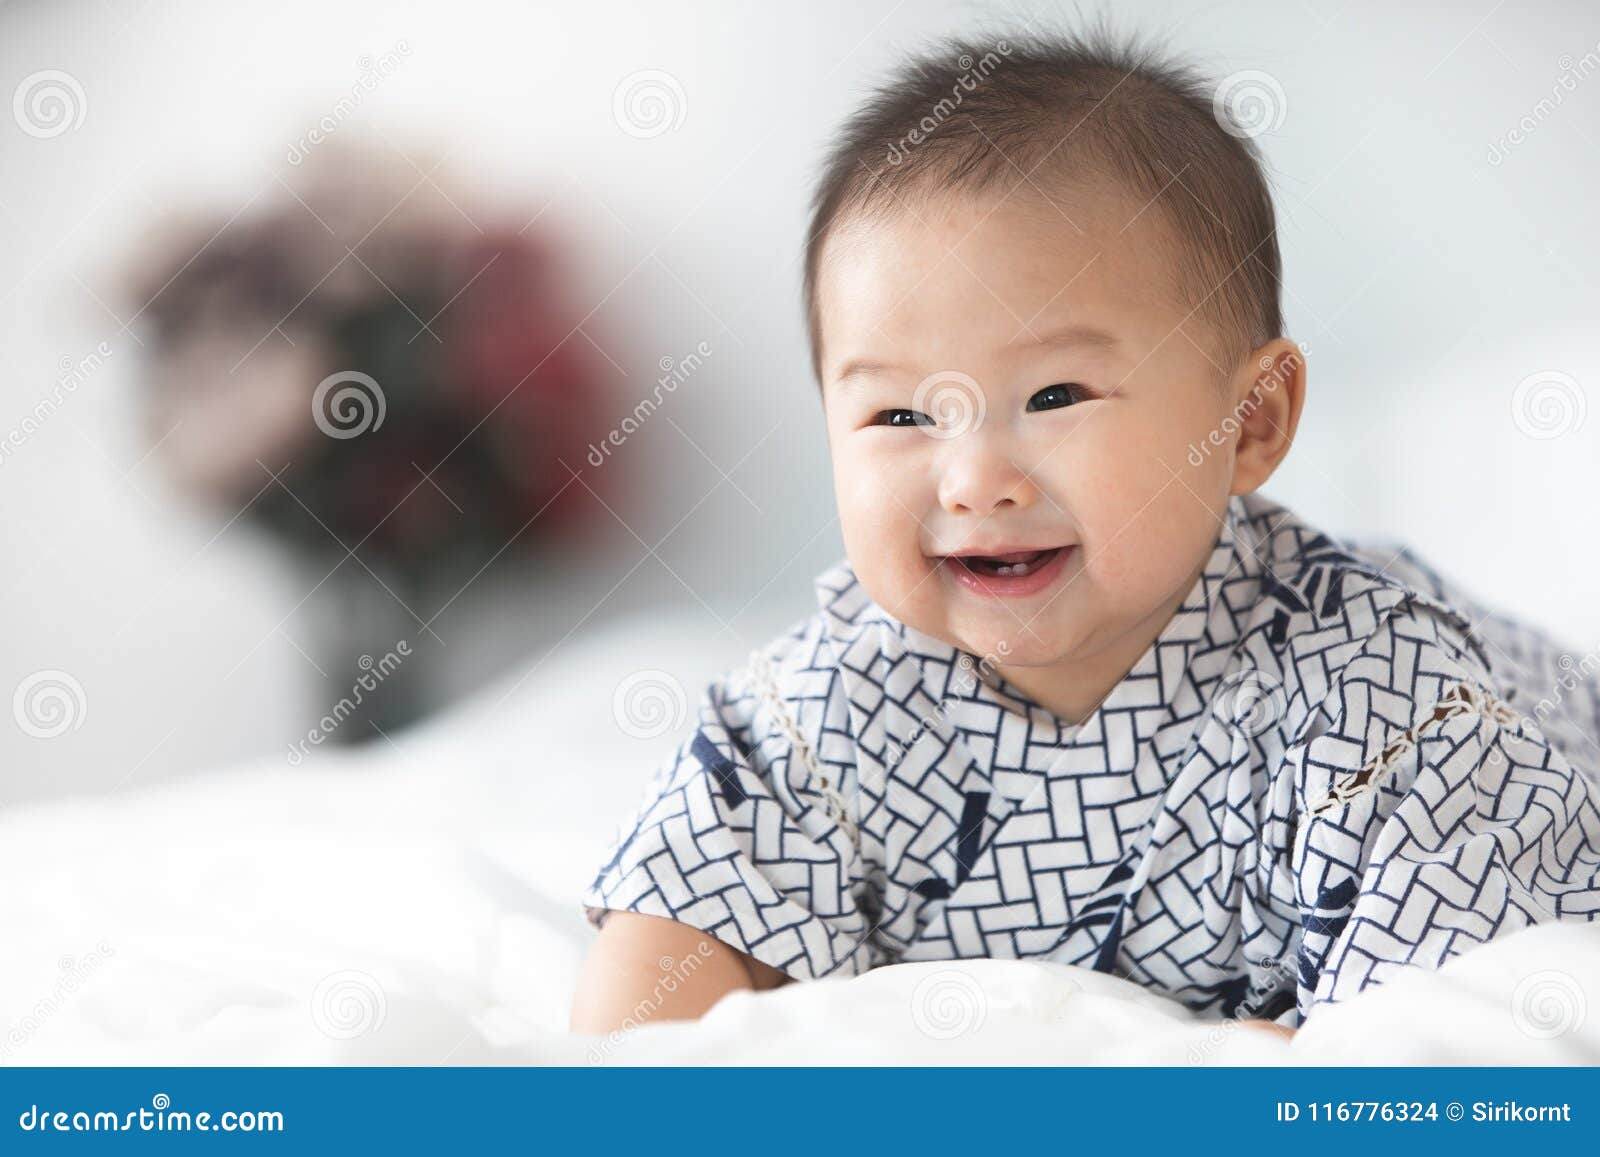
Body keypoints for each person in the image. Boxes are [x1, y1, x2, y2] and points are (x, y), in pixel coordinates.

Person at [569, 27, 1600, 1040]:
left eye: (1055, 395)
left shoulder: (1384, 703)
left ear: (1249, 421)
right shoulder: (829, 709)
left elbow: (1464, 1037)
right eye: (900, 413)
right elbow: (674, 923)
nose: (975, 480)